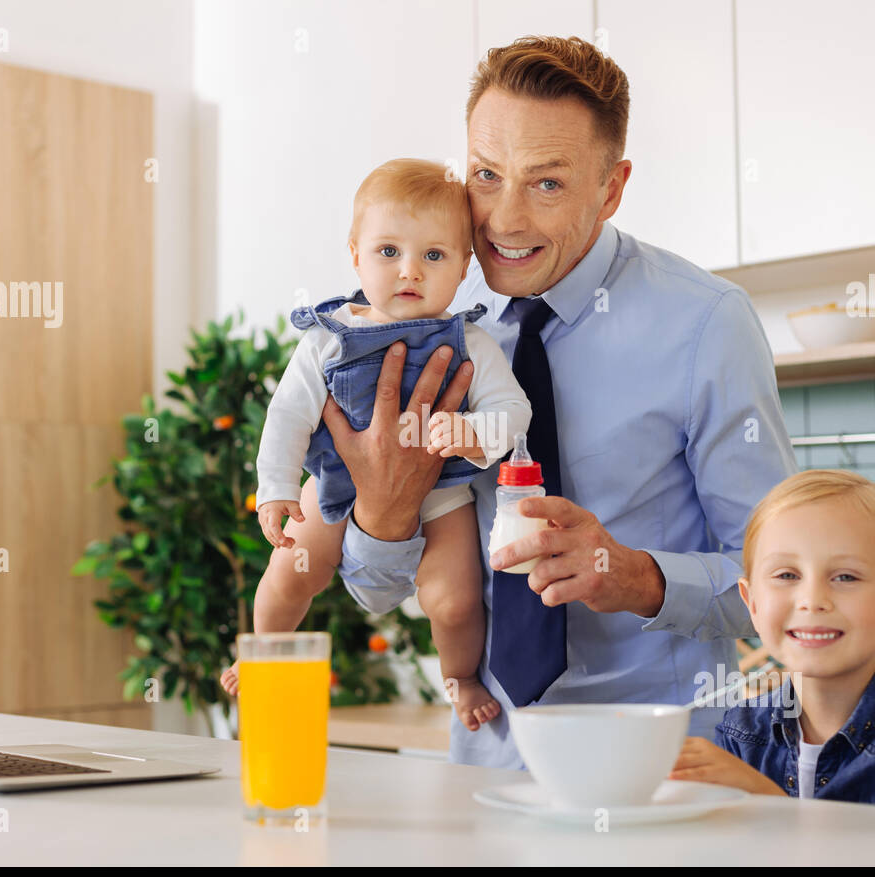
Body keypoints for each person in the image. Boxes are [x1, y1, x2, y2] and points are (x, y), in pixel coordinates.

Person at [320, 36, 799, 769]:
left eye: (546, 183)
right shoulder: (429, 316)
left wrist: (636, 575)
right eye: (486, 176)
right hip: (485, 766)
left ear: (611, 188)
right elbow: (376, 596)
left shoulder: (706, 324)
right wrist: (381, 514)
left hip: (663, 771)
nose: (504, 221)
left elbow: (775, 581)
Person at [220, 159, 531, 733]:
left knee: (455, 601)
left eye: (434, 256)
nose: (410, 270)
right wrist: (277, 488)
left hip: (443, 490)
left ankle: (460, 677)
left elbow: (515, 411)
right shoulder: (328, 336)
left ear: (465, 265)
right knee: (290, 571)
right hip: (335, 479)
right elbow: (287, 414)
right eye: (389, 252)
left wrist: (474, 433)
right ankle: (262, 649)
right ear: (355, 252)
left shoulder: (472, 340)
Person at [670, 470, 875, 813]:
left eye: (845, 577)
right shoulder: (740, 730)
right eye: (787, 575)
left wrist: (766, 800)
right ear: (754, 606)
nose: (812, 599)